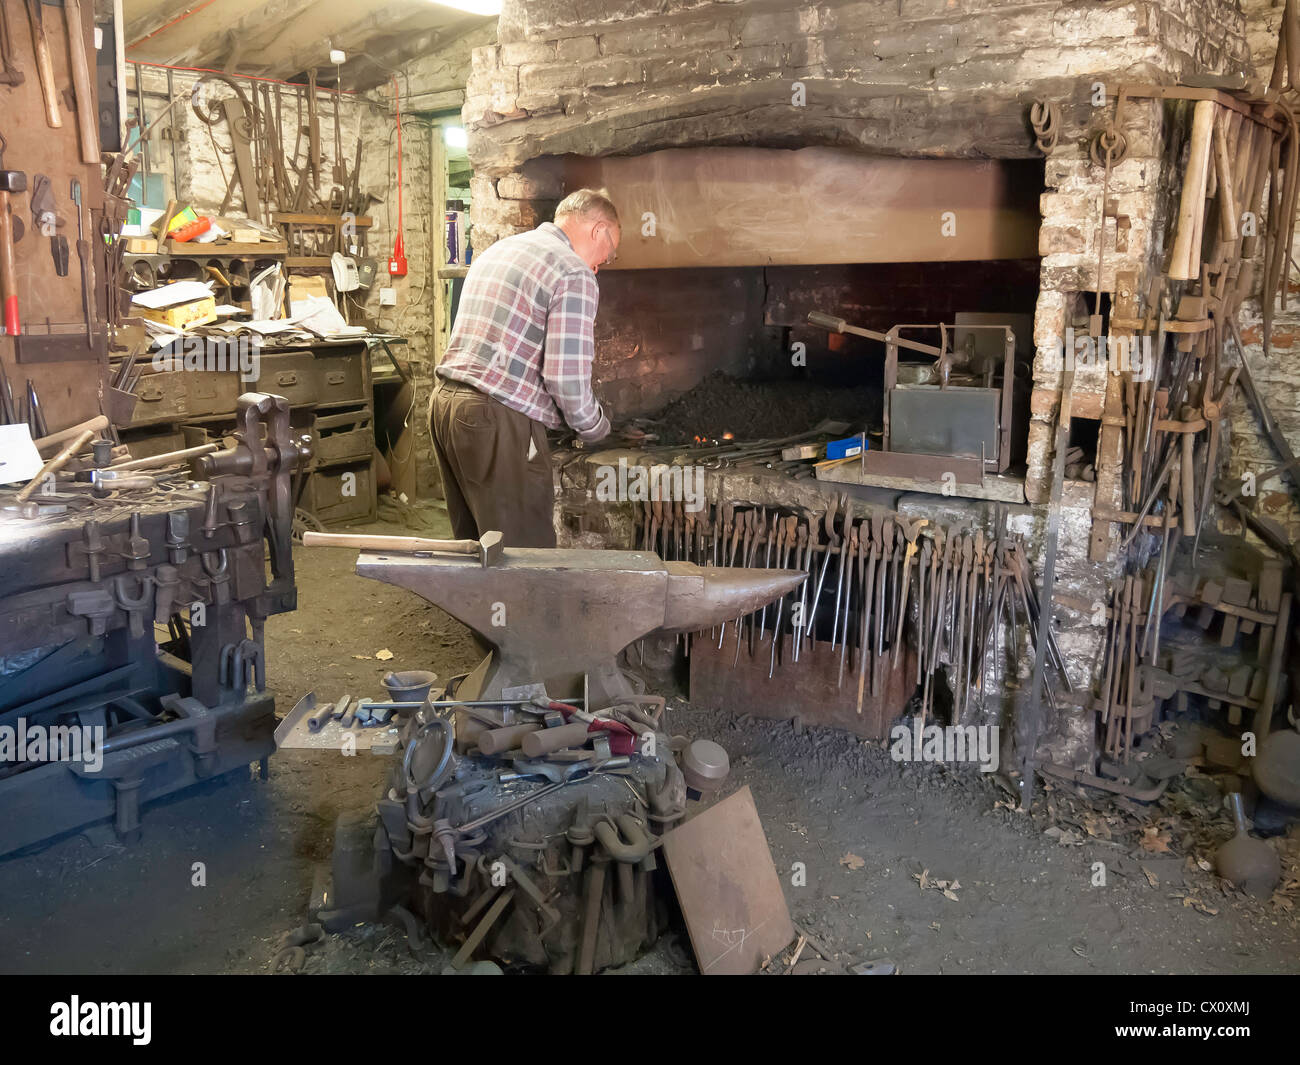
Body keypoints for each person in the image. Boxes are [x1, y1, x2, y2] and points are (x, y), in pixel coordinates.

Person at [429, 188, 619, 548]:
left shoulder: (501, 250)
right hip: (497, 420)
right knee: (523, 555)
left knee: (477, 546)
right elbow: (565, 378)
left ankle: (484, 607)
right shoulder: (573, 272)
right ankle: (517, 608)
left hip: (446, 407)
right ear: (598, 231)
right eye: (606, 257)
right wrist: (594, 427)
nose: (598, 267)